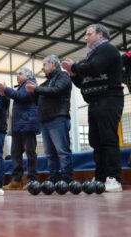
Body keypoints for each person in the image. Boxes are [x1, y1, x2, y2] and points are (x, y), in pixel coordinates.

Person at [62, 24, 124, 192]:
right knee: (96, 142)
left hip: (109, 99)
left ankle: (114, 178)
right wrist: (74, 74)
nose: (85, 37)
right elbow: (83, 82)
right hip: (94, 103)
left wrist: (74, 67)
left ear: (101, 35)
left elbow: (94, 68)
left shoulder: (107, 49)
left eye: (89, 34)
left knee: (108, 139)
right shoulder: (91, 56)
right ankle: (101, 176)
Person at [26, 55, 72, 183]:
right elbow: (38, 101)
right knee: (50, 154)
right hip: (45, 120)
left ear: (53, 64)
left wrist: (36, 89)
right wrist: (33, 93)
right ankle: (53, 178)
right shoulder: (45, 83)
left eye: (45, 64)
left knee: (62, 151)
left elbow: (57, 90)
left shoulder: (63, 76)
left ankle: (66, 179)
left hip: (58, 117)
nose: (42, 68)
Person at [0, 68, 40, 190]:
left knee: (30, 152)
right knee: (15, 153)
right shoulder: (20, 86)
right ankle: (16, 180)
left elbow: (22, 97)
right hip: (17, 124)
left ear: (28, 75)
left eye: (20, 73)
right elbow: (3, 105)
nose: (17, 75)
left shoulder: (30, 83)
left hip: (28, 123)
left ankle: (32, 179)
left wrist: (6, 89)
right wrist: (2, 94)